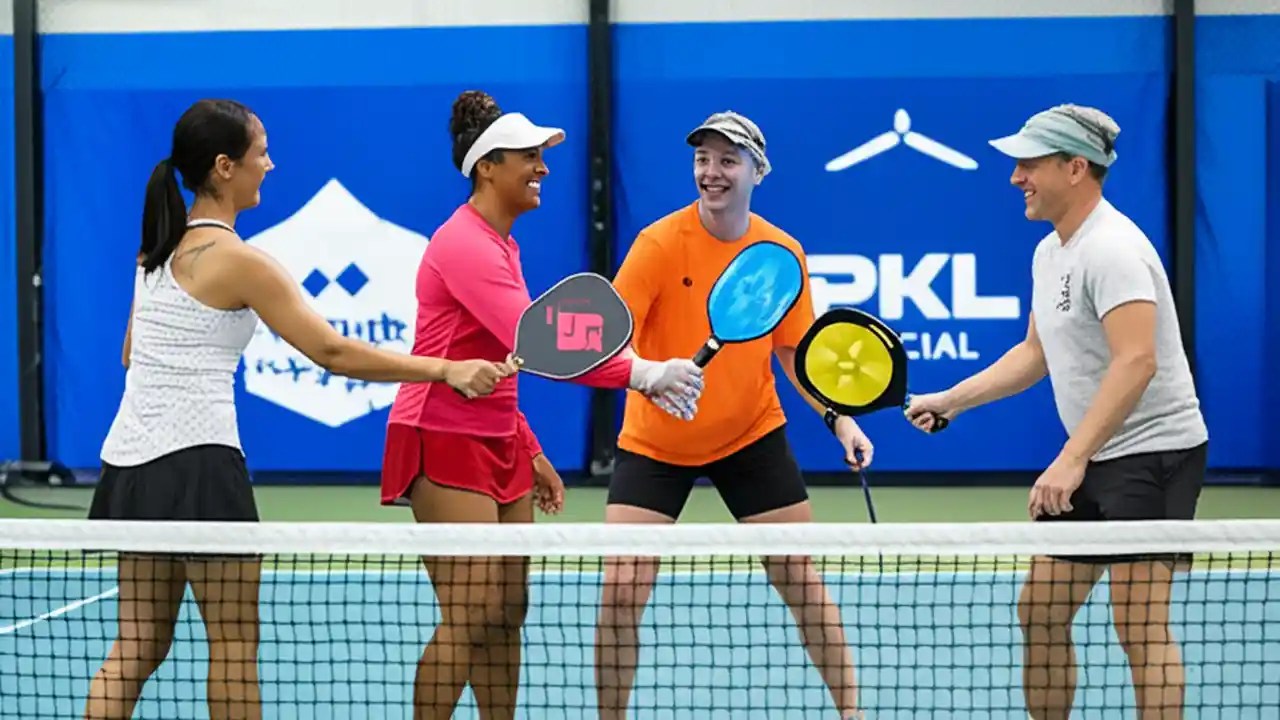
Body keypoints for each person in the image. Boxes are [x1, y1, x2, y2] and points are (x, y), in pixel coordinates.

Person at [84, 98, 512, 720]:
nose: (272, 165)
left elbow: (131, 354)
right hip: (201, 463)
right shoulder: (241, 261)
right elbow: (331, 350)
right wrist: (444, 369)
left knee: (137, 645)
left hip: (129, 464)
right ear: (226, 167)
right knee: (234, 646)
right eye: (261, 154)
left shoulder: (154, 254)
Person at [380, 90, 704, 720]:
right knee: (469, 614)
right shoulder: (464, 243)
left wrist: (528, 449)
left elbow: (510, 360)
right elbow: (549, 344)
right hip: (441, 434)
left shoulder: (502, 244)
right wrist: (643, 372)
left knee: (507, 611)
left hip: (498, 439)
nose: (543, 167)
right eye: (527, 156)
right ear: (486, 168)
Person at [905, 104, 1209, 719]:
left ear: (1076, 168)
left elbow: (1136, 361)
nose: (1016, 176)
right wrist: (951, 402)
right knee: (1040, 611)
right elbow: (1034, 353)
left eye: (1029, 163)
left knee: (1139, 626)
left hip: (1154, 453)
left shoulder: (1115, 248)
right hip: (1097, 452)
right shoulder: (1051, 253)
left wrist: (1071, 460)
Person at [592, 111, 874, 719]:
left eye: (727, 160)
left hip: (750, 435)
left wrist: (841, 419)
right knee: (619, 593)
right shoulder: (658, 244)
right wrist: (650, 374)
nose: (711, 172)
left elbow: (796, 352)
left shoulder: (782, 253)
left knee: (800, 580)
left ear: (756, 171)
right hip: (656, 439)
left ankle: (852, 712)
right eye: (703, 160)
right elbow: (612, 335)